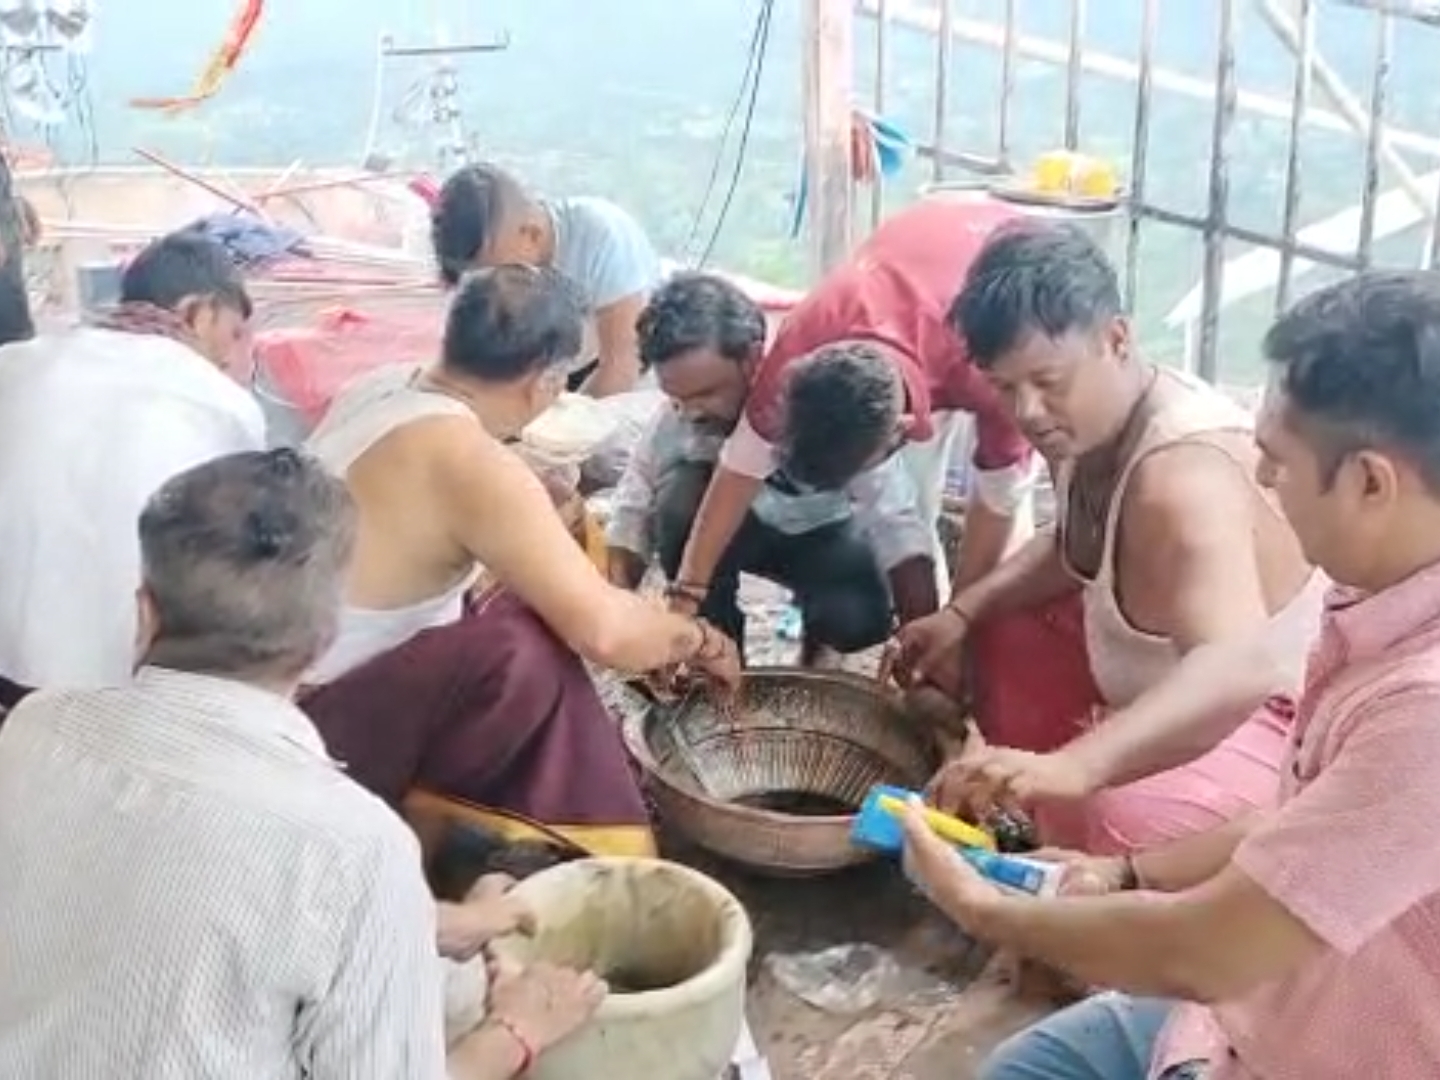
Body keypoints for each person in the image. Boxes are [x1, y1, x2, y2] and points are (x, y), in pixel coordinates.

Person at [902, 269, 1440, 1080]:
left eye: (1279, 462)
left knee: (1122, 820)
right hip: (1247, 1007)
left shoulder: (1423, 714)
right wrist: (1124, 877)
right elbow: (1305, 821)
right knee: (1030, 1065)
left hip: (1332, 1043)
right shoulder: (1382, 590)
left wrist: (985, 906)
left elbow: (1208, 951)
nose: (1261, 482)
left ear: (1370, 482)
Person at [0, 449, 605, 1079]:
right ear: (324, 642)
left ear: (145, 610)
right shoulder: (357, 846)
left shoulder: (32, 727)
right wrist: (518, 1031)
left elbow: (174, 904)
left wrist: (439, 924)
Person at [894, 223, 1325, 855]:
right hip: (1154, 675)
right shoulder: (1091, 421)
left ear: (1116, 339)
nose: (1029, 411)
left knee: (1121, 818)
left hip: (1272, 721)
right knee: (998, 629)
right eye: (1006, 387)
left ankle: (1097, 851)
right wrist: (961, 612)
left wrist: (1078, 766)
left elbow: (1238, 669)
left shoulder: (1180, 479)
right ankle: (1049, 816)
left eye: (1048, 381)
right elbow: (1075, 546)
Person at [301, 264, 739, 858]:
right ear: (546, 383)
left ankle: (438, 810)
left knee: (549, 550)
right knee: (526, 652)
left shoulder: (379, 388)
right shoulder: (468, 461)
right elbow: (606, 635)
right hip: (316, 733)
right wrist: (696, 638)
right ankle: (463, 833)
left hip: (279, 676)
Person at [664, 198, 1036, 633]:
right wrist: (686, 594)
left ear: (902, 431)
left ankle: (945, 638)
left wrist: (958, 624)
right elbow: (740, 467)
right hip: (917, 263)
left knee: (992, 538)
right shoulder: (803, 340)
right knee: (916, 512)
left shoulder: (997, 370)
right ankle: (925, 631)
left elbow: (998, 496)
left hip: (1010, 272)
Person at [611, 272, 939, 663]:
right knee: (678, 499)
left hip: (822, 538)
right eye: (677, 399)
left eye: (706, 393)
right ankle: (719, 652)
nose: (691, 411)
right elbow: (634, 497)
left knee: (861, 619)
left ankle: (817, 660)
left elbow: (895, 520)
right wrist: (615, 604)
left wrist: (923, 635)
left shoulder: (818, 403)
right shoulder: (682, 415)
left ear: (752, 359)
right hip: (729, 541)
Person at [0, 228, 265, 696]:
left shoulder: (14, 364)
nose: (235, 356)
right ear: (196, 312)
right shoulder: (220, 402)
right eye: (234, 332)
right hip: (114, 683)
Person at [431, 161, 660, 396]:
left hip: (628, 363)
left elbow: (623, 365)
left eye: (501, 272)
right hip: (558, 362)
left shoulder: (602, 241)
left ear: (531, 234)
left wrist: (560, 426)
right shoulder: (500, 259)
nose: (497, 283)